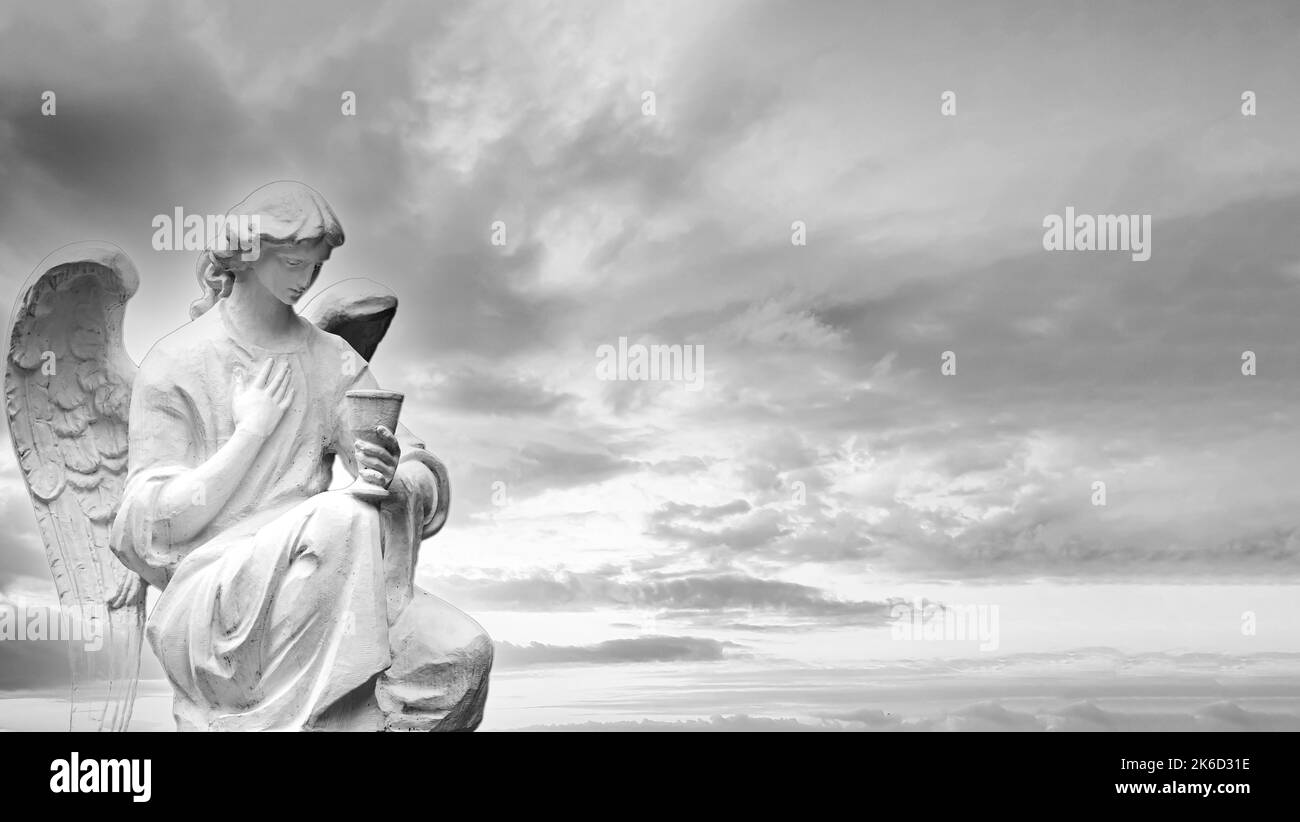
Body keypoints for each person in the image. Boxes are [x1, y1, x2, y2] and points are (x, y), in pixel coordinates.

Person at [110, 181, 491, 731]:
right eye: (292, 262)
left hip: (329, 574)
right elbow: (144, 531)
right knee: (341, 514)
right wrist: (249, 438)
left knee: (458, 656)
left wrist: (395, 476)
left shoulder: (330, 360)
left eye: (316, 265)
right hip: (215, 599)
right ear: (247, 254)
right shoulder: (179, 362)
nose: (306, 280)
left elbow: (413, 462)